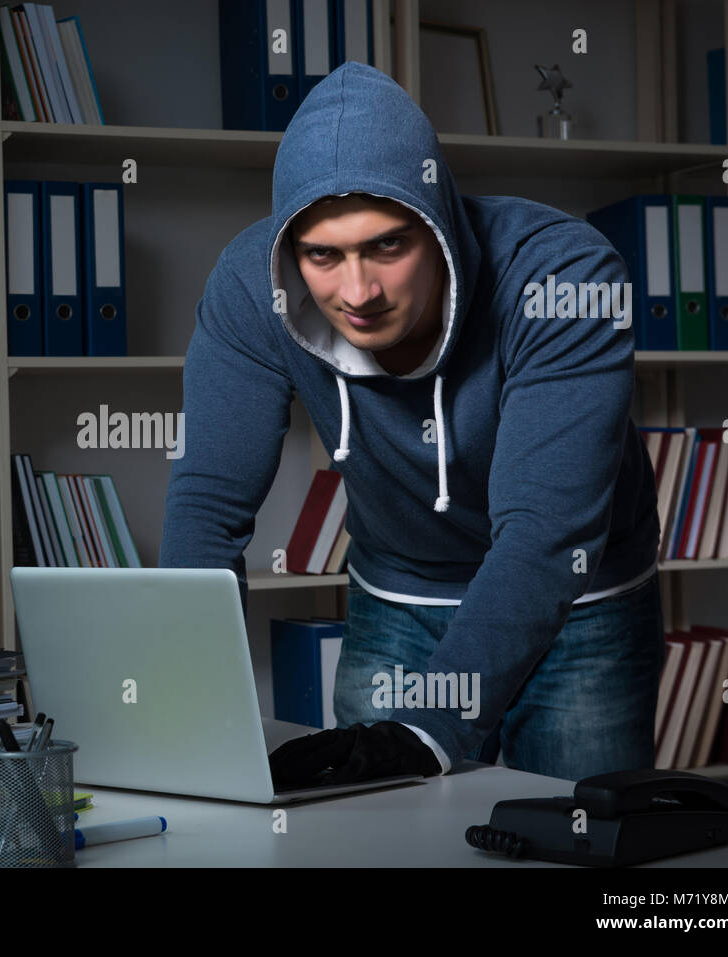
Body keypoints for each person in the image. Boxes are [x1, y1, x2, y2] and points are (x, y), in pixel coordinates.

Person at [159, 62, 663, 785]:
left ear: (441, 222)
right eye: (322, 255)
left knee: (578, 836)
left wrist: (430, 730)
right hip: (401, 593)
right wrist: (185, 707)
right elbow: (208, 503)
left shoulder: (565, 279)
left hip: (581, 600)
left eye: (387, 245)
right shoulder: (250, 286)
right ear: (289, 249)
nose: (357, 291)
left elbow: (547, 537)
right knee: (379, 833)